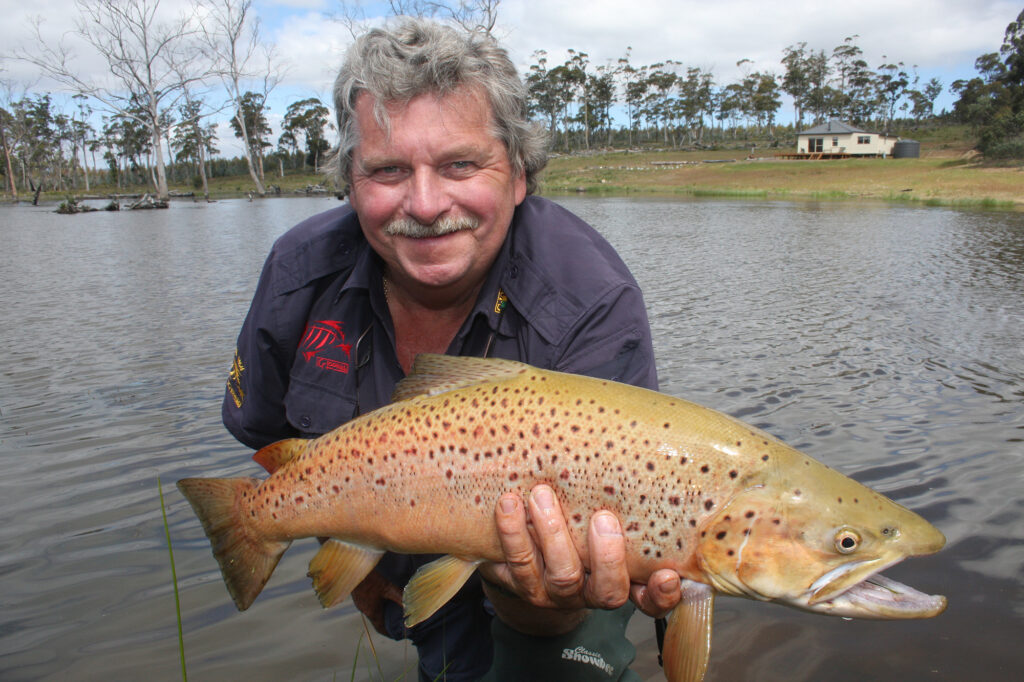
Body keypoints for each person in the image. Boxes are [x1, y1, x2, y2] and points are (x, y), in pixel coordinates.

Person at [222, 18, 681, 681]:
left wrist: (543, 602)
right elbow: (273, 441)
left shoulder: (592, 300)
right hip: (401, 555)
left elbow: (600, 546)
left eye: (460, 164)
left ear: (519, 174)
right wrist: (347, 545)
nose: (426, 203)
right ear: (349, 181)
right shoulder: (298, 275)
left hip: (560, 584)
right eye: (387, 170)